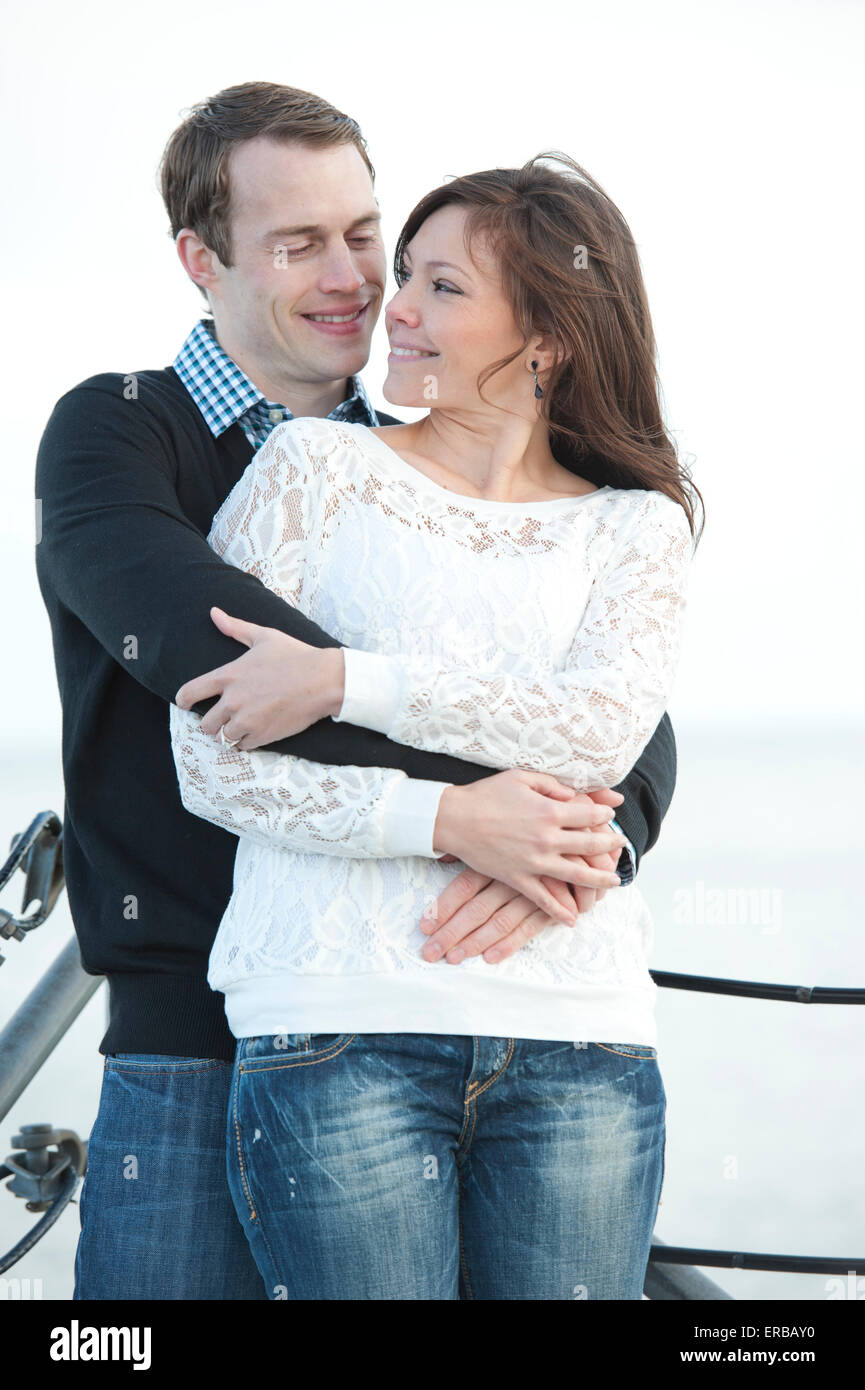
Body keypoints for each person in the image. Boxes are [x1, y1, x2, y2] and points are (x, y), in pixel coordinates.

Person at [34, 82, 675, 1301]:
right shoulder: (118, 433)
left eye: (363, 234)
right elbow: (224, 661)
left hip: (448, 998)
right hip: (193, 1033)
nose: (354, 280)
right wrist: (483, 809)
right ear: (199, 258)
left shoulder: (456, 462)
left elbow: (632, 725)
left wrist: (585, 845)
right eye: (297, 244)